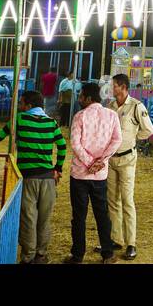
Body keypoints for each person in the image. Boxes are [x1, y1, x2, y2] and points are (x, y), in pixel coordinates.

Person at [0, 90, 66, 263]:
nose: (19, 106)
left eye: (21, 103)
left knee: (28, 218)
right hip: (48, 178)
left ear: (29, 105)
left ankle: (28, 256)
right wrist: (58, 168)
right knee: (44, 219)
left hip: (28, 178)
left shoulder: (19, 119)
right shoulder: (51, 123)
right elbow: (62, 147)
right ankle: (41, 254)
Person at [65, 82, 121, 263]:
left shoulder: (79, 116)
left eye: (81, 96)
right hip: (100, 175)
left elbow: (75, 143)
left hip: (80, 175)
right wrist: (101, 161)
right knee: (102, 215)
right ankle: (107, 254)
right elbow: (116, 140)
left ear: (88, 98)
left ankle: (78, 255)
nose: (79, 99)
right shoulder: (112, 115)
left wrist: (89, 162)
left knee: (79, 216)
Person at [103, 73, 153, 260]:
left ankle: (131, 243)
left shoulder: (136, 106)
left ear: (123, 86)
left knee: (127, 201)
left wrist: (132, 139)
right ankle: (116, 239)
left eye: (114, 85)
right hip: (111, 159)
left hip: (127, 160)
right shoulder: (110, 107)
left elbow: (149, 129)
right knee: (112, 201)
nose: (111, 88)